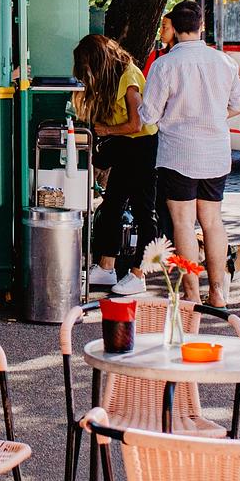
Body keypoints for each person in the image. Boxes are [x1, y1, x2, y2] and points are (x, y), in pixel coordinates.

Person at [138, 0, 240, 306]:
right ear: (202, 26)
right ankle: (218, 292)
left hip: (178, 154)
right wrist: (212, 118)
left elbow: (148, 115)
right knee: (213, 221)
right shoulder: (224, 62)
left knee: (184, 223)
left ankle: (190, 292)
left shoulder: (164, 65)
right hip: (215, 154)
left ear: (173, 28)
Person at [73, 34, 159, 296]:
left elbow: (137, 124)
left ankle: (139, 273)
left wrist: (107, 130)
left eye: (89, 66)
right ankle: (107, 266)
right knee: (112, 205)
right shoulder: (113, 78)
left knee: (144, 211)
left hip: (142, 145)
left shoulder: (129, 78)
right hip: (127, 145)